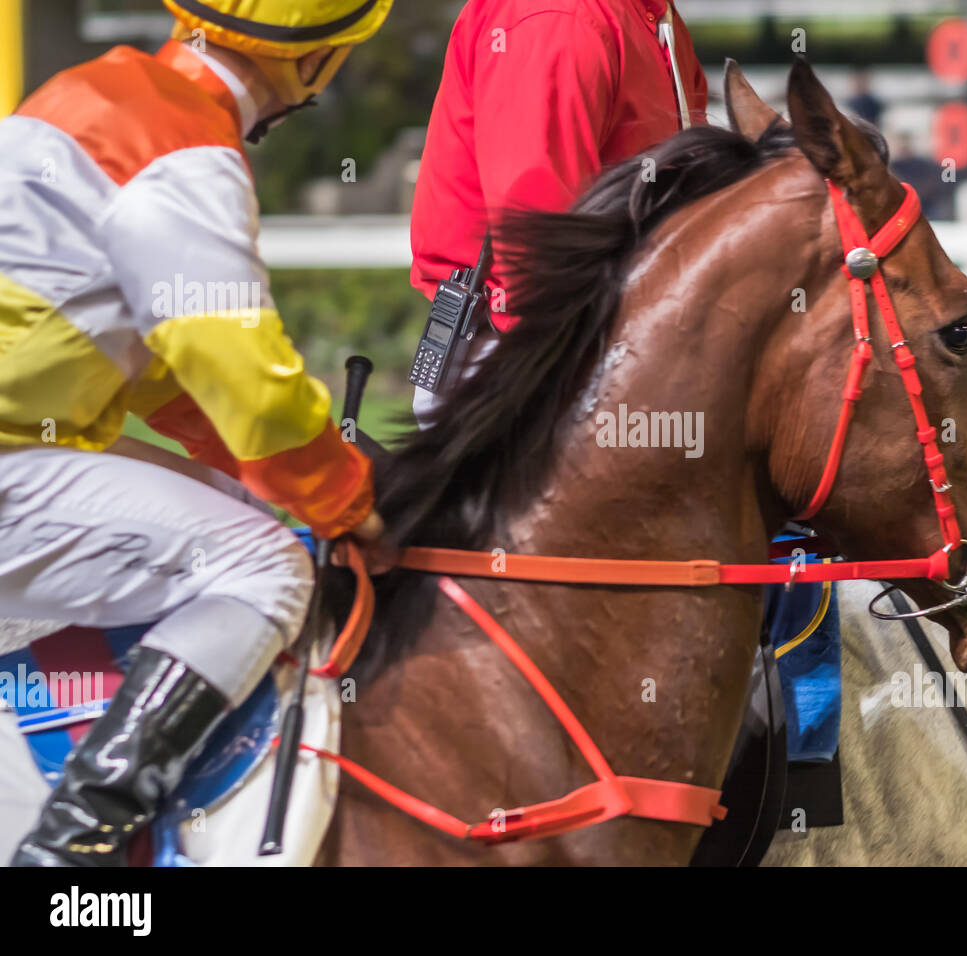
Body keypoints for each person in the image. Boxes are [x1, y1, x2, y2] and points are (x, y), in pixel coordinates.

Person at [0, 0, 391, 867]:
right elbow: (240, 374)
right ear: (314, 64)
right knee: (266, 563)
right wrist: (346, 499)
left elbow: (165, 375)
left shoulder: (86, 89)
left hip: (30, 433)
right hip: (17, 452)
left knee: (248, 513)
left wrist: (299, 475)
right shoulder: (188, 151)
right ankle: (74, 846)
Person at [408, 0, 708, 427]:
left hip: (597, 339)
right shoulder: (557, 16)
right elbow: (536, 238)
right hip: (538, 352)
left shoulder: (647, 15)